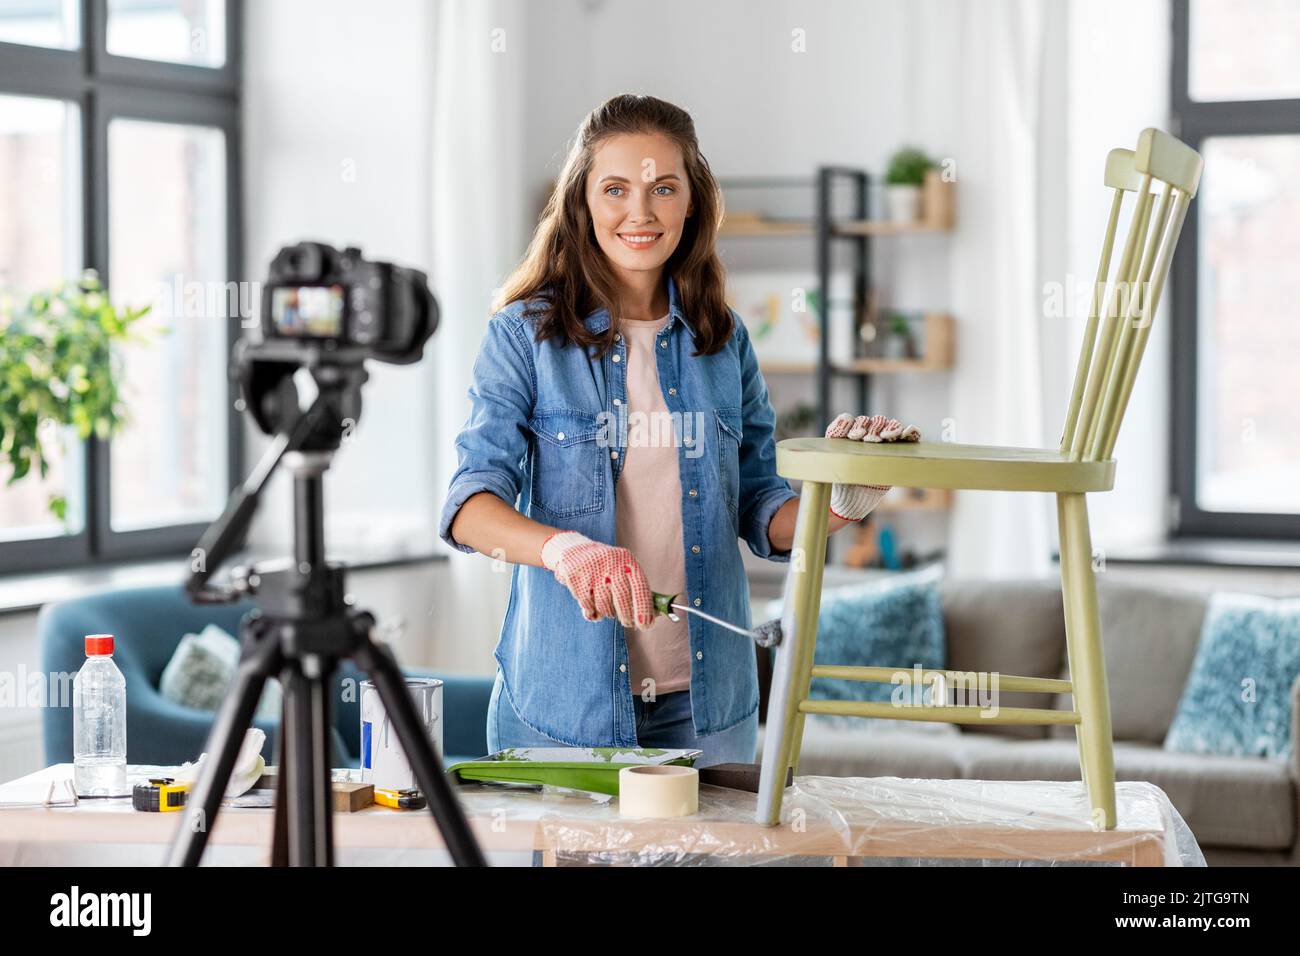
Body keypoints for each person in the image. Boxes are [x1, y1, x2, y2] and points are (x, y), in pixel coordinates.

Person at [439, 93, 915, 767]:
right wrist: (564, 551)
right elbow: (468, 507)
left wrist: (838, 502)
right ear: (583, 203)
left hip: (708, 708)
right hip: (561, 708)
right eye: (616, 189)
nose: (641, 212)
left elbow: (760, 507)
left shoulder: (723, 341)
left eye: (664, 187)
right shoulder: (525, 336)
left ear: (692, 202)